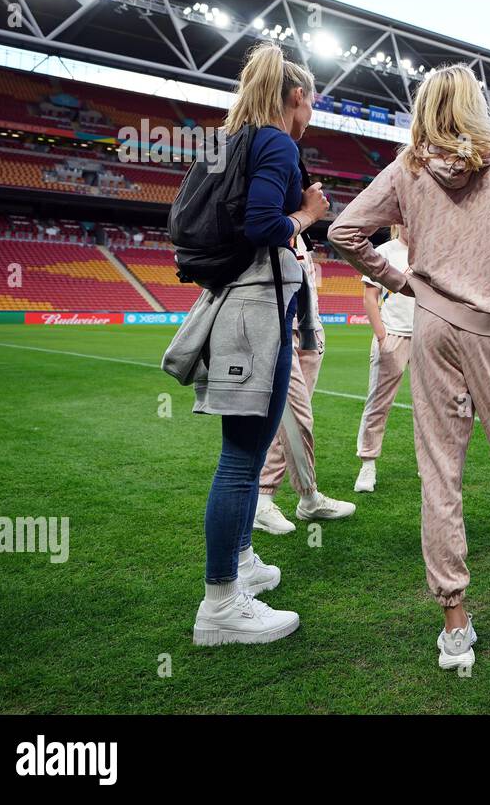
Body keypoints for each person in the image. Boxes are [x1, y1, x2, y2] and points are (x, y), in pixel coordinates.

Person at [328, 63, 490, 671]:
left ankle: (455, 624)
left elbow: (344, 231)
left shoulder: (408, 168)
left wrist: (407, 281)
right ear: (476, 104)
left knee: (440, 469)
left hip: (433, 323)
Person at [164, 43, 331, 645]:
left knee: (251, 449)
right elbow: (264, 223)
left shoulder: (231, 138)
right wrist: (308, 214)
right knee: (241, 455)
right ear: (295, 97)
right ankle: (220, 604)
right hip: (254, 310)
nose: (313, 110)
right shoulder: (275, 141)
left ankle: (241, 561)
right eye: (312, 99)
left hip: (244, 303)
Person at [253, 232, 356, 533]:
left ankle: (263, 498)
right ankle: (308, 497)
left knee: (284, 423)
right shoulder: (271, 220)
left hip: (310, 329)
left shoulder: (302, 234)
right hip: (280, 329)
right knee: (298, 419)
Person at [353, 224, 416, 493]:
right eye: (403, 218)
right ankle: (368, 464)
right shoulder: (384, 252)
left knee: (432, 408)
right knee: (378, 403)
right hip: (394, 335)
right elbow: (370, 297)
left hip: (428, 338)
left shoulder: (431, 251)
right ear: (396, 223)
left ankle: (431, 464)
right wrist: (382, 337)